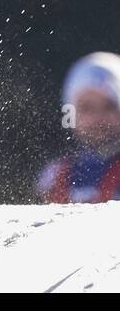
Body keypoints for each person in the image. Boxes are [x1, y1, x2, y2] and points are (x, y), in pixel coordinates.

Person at [39, 52, 120, 203]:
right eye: (86, 108)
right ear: (70, 114)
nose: (98, 118)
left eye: (109, 107)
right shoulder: (54, 177)